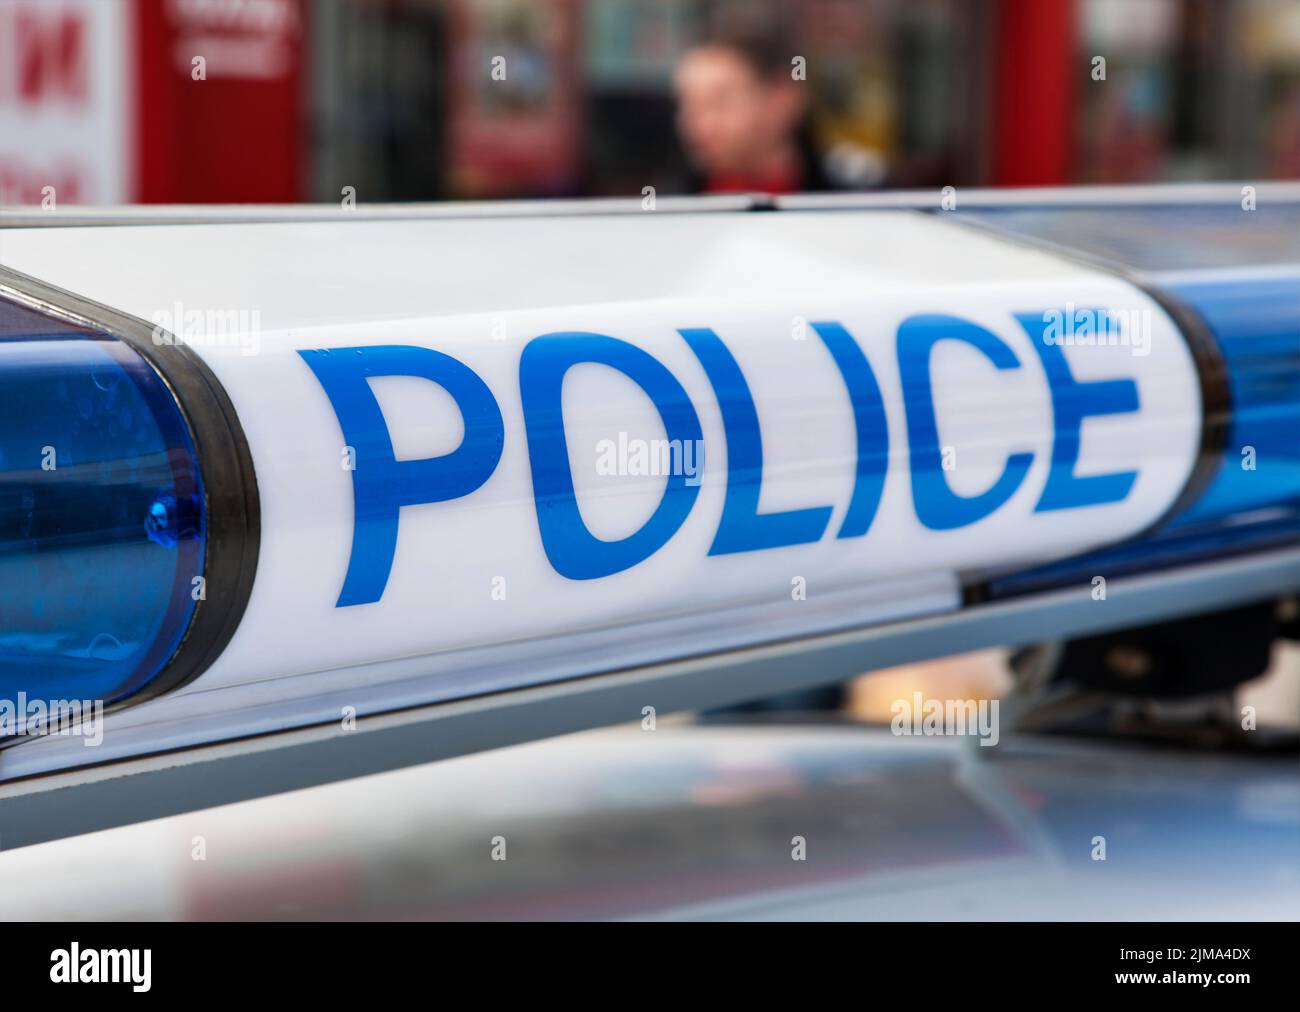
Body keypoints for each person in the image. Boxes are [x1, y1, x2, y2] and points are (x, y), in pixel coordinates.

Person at [673, 27, 830, 196]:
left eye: (720, 102)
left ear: (782, 100)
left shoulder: (850, 199)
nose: (700, 126)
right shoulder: (666, 206)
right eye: (689, 105)